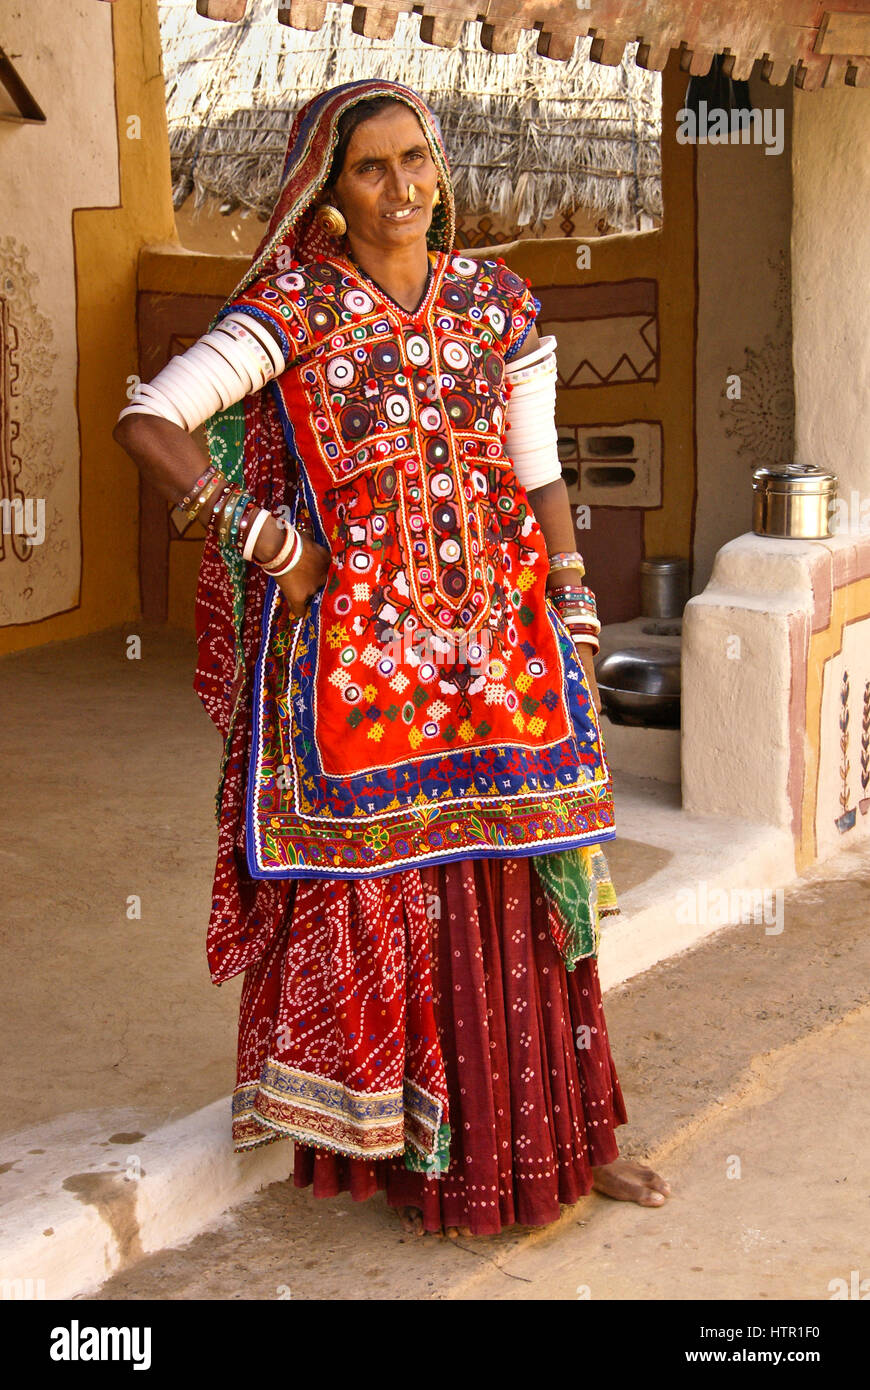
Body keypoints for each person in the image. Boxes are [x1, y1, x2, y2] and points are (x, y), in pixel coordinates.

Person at [113, 79, 669, 1238]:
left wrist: (572, 603)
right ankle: (430, 1164)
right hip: (366, 677)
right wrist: (268, 539)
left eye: (417, 160)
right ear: (329, 193)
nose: (404, 187)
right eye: (373, 168)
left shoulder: (498, 303)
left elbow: (540, 471)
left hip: (506, 656)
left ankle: (573, 1141)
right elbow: (149, 420)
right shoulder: (294, 309)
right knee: (404, 902)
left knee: (531, 891)